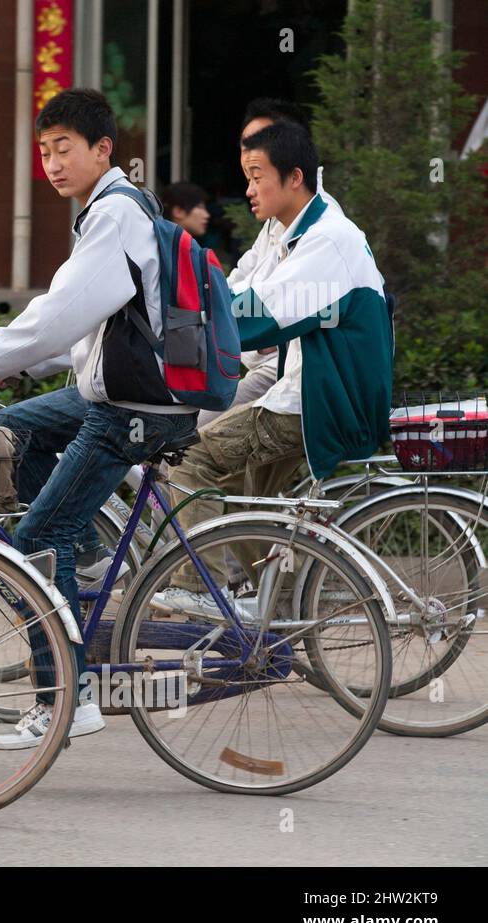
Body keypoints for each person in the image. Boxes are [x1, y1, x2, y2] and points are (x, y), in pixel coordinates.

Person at [0, 89, 200, 749]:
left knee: (31, 543)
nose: (51, 162)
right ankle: (85, 556)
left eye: (64, 148)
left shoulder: (113, 216)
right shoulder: (110, 213)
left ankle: (66, 699)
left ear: (103, 150)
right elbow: (79, 325)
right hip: (132, 391)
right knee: (14, 429)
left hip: (134, 408)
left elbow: (59, 312)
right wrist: (6, 367)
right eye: (44, 151)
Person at [153, 121, 392, 617]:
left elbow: (259, 314)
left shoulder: (327, 240)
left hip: (318, 402)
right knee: (249, 501)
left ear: (295, 177)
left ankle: (202, 587)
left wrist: (178, 337)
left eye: (257, 174)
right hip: (309, 392)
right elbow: (239, 293)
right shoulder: (295, 232)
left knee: (189, 459)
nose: (247, 189)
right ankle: (276, 615)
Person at [204, 98, 345, 428]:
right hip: (271, 368)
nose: (250, 150)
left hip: (296, 380)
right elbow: (243, 279)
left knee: (190, 443)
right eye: (245, 144)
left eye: (262, 141)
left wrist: (198, 325)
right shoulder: (280, 220)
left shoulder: (324, 228)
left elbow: (302, 305)